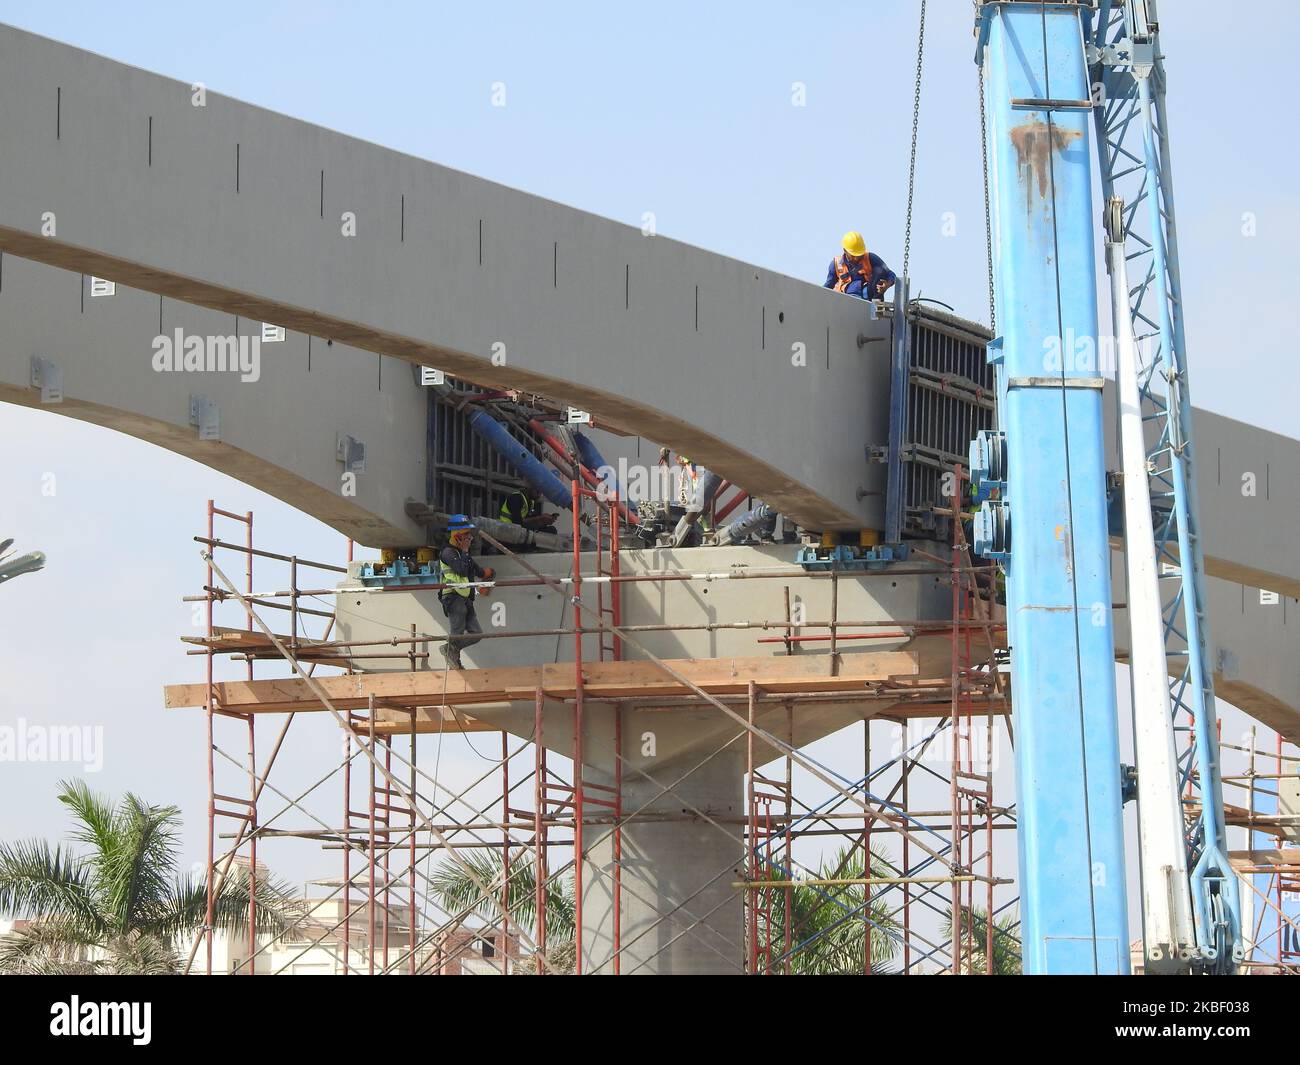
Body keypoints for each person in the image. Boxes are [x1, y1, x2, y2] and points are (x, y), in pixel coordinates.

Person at [438, 515, 494, 669]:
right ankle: (452, 656)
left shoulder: (462, 554)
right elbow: (462, 571)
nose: (469, 538)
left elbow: (474, 568)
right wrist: (465, 550)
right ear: (456, 536)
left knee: (477, 633)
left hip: (465, 598)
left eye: (469, 535)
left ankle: (450, 650)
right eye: (466, 535)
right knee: (456, 632)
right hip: (453, 597)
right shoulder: (448, 552)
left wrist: (485, 574)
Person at [823, 230, 896, 300]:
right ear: (845, 251)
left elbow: (890, 274)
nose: (856, 258)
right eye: (853, 255)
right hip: (844, 299)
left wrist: (887, 285)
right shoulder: (836, 264)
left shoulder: (870, 258)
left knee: (879, 271)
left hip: (867, 296)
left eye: (859, 255)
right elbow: (828, 286)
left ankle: (876, 304)